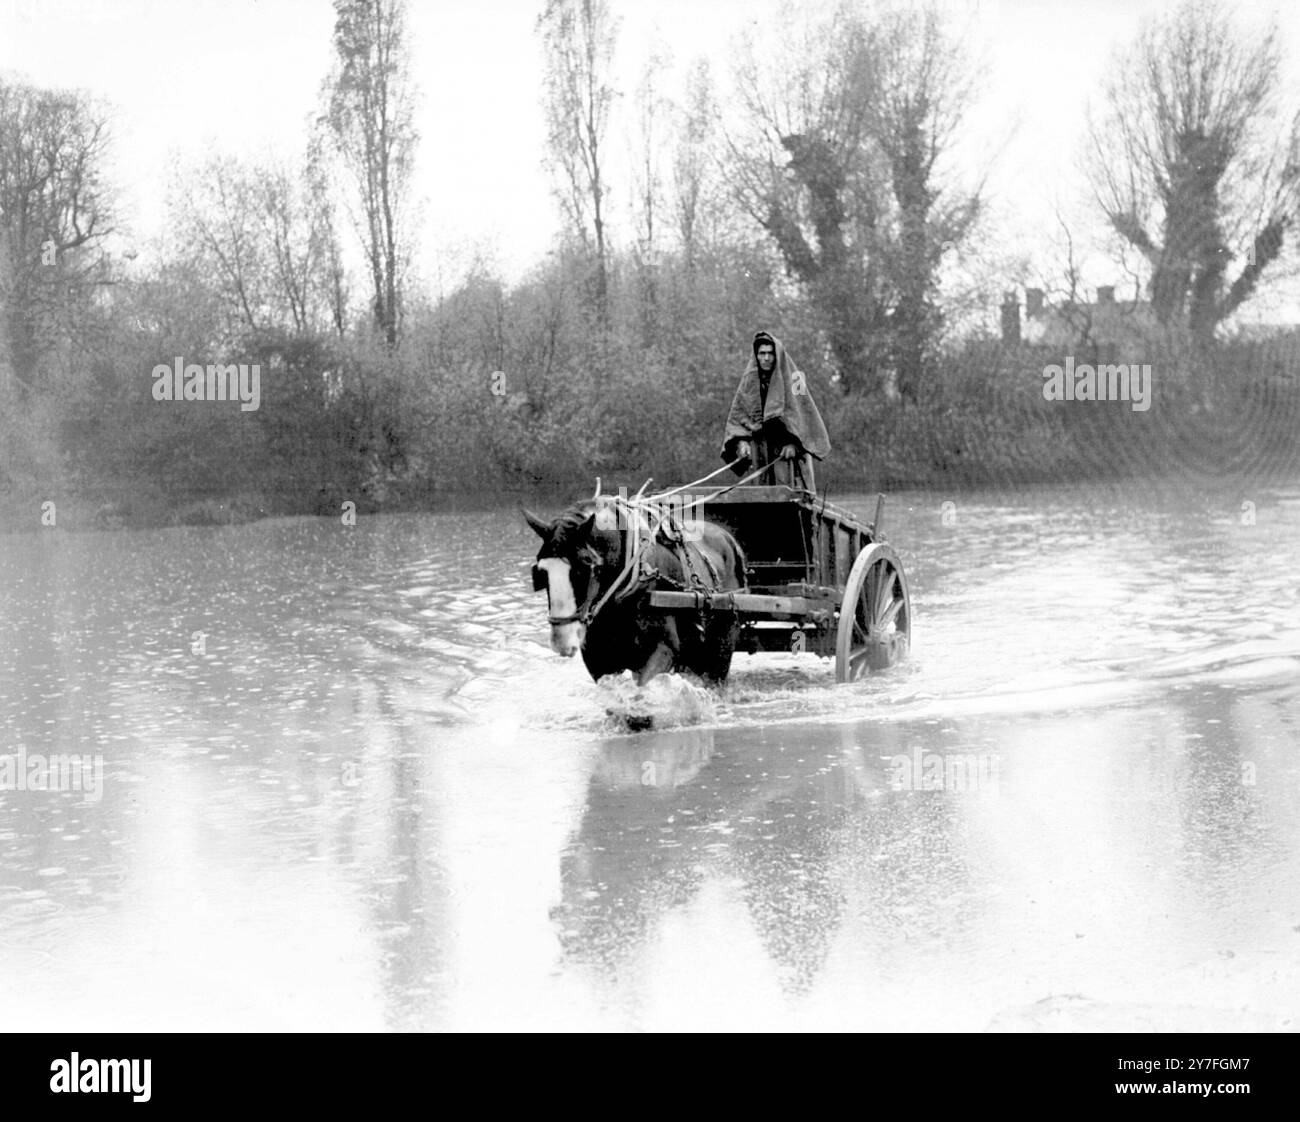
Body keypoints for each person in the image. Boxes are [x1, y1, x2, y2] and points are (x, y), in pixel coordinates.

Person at [720, 331, 830, 489]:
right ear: (756, 356)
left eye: (770, 354)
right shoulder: (748, 382)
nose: (766, 358)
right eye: (761, 353)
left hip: (787, 454)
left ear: (777, 355)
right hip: (761, 452)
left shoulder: (796, 379)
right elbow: (738, 418)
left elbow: (806, 415)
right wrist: (741, 443)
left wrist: (795, 445)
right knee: (762, 498)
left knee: (791, 494)